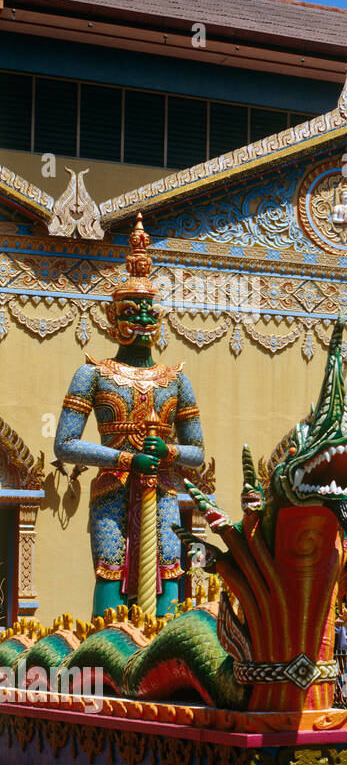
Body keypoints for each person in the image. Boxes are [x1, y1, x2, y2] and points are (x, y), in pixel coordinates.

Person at [54, 214, 205, 618]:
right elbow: (65, 445)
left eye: (147, 312)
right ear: (111, 316)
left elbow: (198, 453)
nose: (140, 320)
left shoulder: (176, 380)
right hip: (112, 490)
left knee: (169, 569)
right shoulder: (94, 374)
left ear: (160, 318)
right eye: (130, 311)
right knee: (111, 571)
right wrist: (125, 458)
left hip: (165, 492)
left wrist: (168, 451)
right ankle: (107, 659)